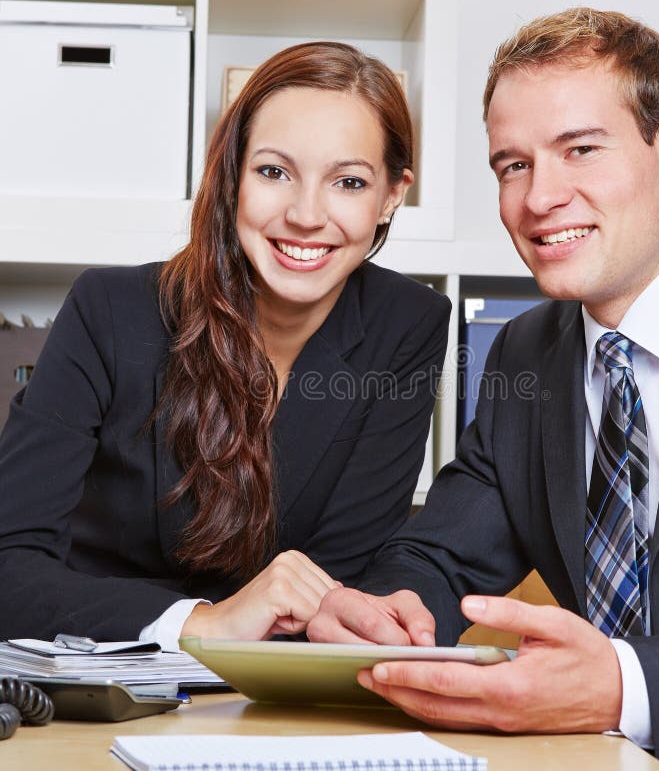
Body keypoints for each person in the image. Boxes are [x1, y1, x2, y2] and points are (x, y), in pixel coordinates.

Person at [307, 8, 659, 771]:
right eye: (514, 165)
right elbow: (441, 553)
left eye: (581, 150)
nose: (540, 199)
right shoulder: (524, 353)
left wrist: (625, 687)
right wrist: (391, 608)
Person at [0, 41, 450, 650]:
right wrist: (202, 623)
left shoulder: (408, 322)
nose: (306, 214)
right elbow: (10, 568)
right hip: (100, 682)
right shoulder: (108, 309)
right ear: (233, 173)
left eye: (348, 181)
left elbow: (342, 583)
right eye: (273, 172)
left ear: (391, 195)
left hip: (282, 702)